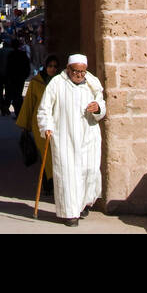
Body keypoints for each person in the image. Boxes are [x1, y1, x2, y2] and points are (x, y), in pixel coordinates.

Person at [37, 54, 107, 226]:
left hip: (88, 136)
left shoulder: (92, 83)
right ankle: (70, 214)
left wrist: (98, 108)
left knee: (89, 171)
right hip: (64, 137)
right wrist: (46, 126)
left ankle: (82, 204)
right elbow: (44, 108)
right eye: (76, 71)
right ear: (68, 69)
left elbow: (102, 103)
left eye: (82, 72)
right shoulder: (56, 84)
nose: (79, 75)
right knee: (68, 175)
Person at [16, 54, 60, 194]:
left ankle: (56, 183)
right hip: (40, 124)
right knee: (47, 155)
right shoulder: (36, 82)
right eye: (50, 66)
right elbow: (29, 103)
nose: (52, 69)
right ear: (45, 67)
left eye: (55, 66)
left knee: (57, 155)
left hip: (58, 123)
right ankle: (49, 184)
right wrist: (25, 124)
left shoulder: (61, 83)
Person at [0, 37, 31, 116]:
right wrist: (25, 75)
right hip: (20, 78)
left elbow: (7, 67)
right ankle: (19, 113)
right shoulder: (23, 54)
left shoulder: (10, 55)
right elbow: (27, 66)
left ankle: (17, 112)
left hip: (12, 78)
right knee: (18, 94)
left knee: (13, 95)